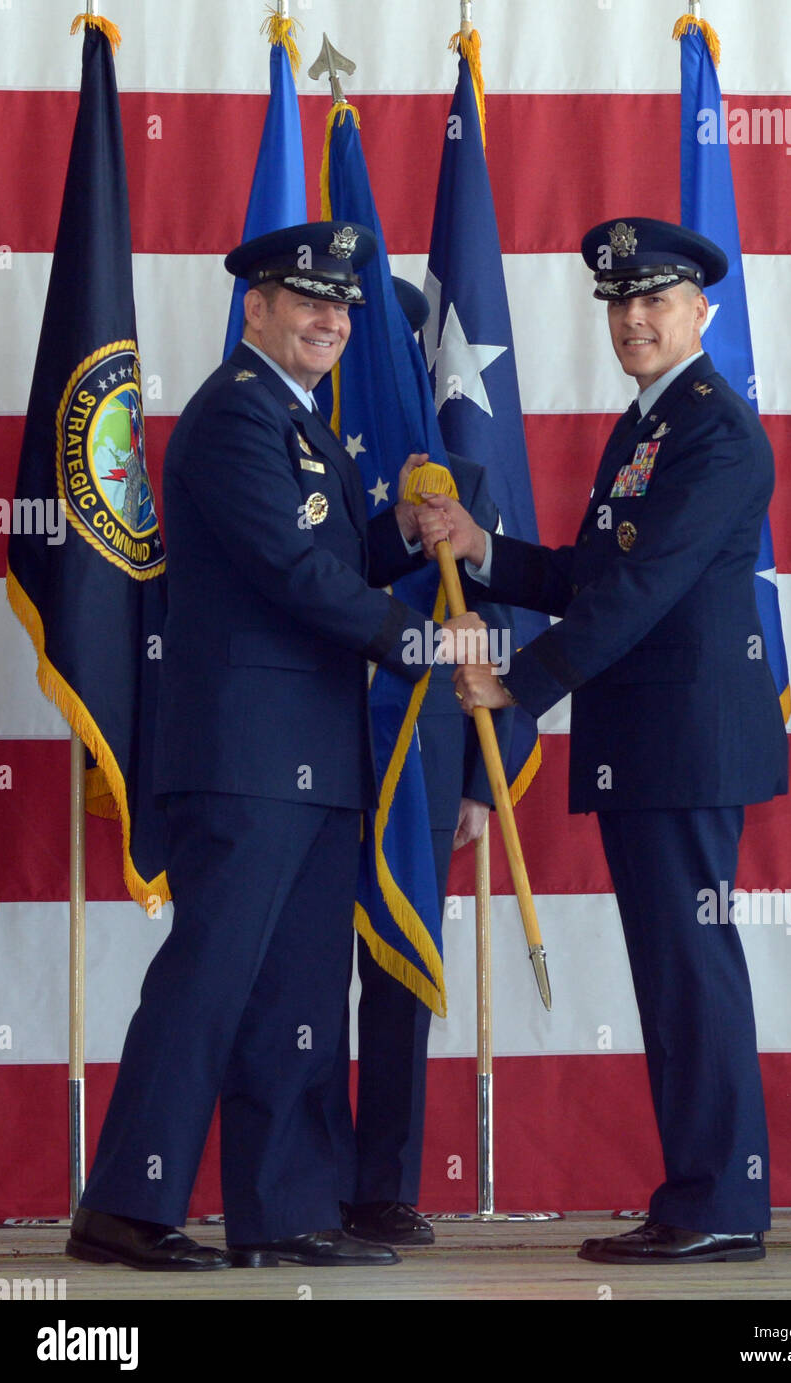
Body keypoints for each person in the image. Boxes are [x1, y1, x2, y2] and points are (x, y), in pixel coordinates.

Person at [66, 222, 474, 1272]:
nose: (332, 321)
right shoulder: (232, 417)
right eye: (310, 302)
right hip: (246, 758)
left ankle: (283, 1210)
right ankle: (125, 1203)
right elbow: (293, 573)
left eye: (343, 308)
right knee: (210, 978)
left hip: (309, 756)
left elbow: (331, 553)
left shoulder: (301, 422)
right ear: (255, 306)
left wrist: (411, 529)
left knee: (294, 995)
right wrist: (415, 638)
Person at [416, 218, 789, 1265]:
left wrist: (518, 685)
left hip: (685, 741)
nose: (631, 319)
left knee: (688, 969)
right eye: (618, 304)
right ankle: (701, 1194)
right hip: (648, 739)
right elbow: (593, 568)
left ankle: (717, 1201)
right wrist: (482, 549)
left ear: (700, 312)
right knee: (673, 970)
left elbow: (639, 589)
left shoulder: (712, 429)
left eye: (652, 301)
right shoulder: (649, 427)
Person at [336, 279, 513, 1248]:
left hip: (423, 762)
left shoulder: (468, 485)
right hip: (321, 749)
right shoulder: (311, 463)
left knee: (399, 976)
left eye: (397, 347)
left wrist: (478, 782)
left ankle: (383, 1185)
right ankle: (308, 1178)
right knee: (311, 973)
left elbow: (502, 631)